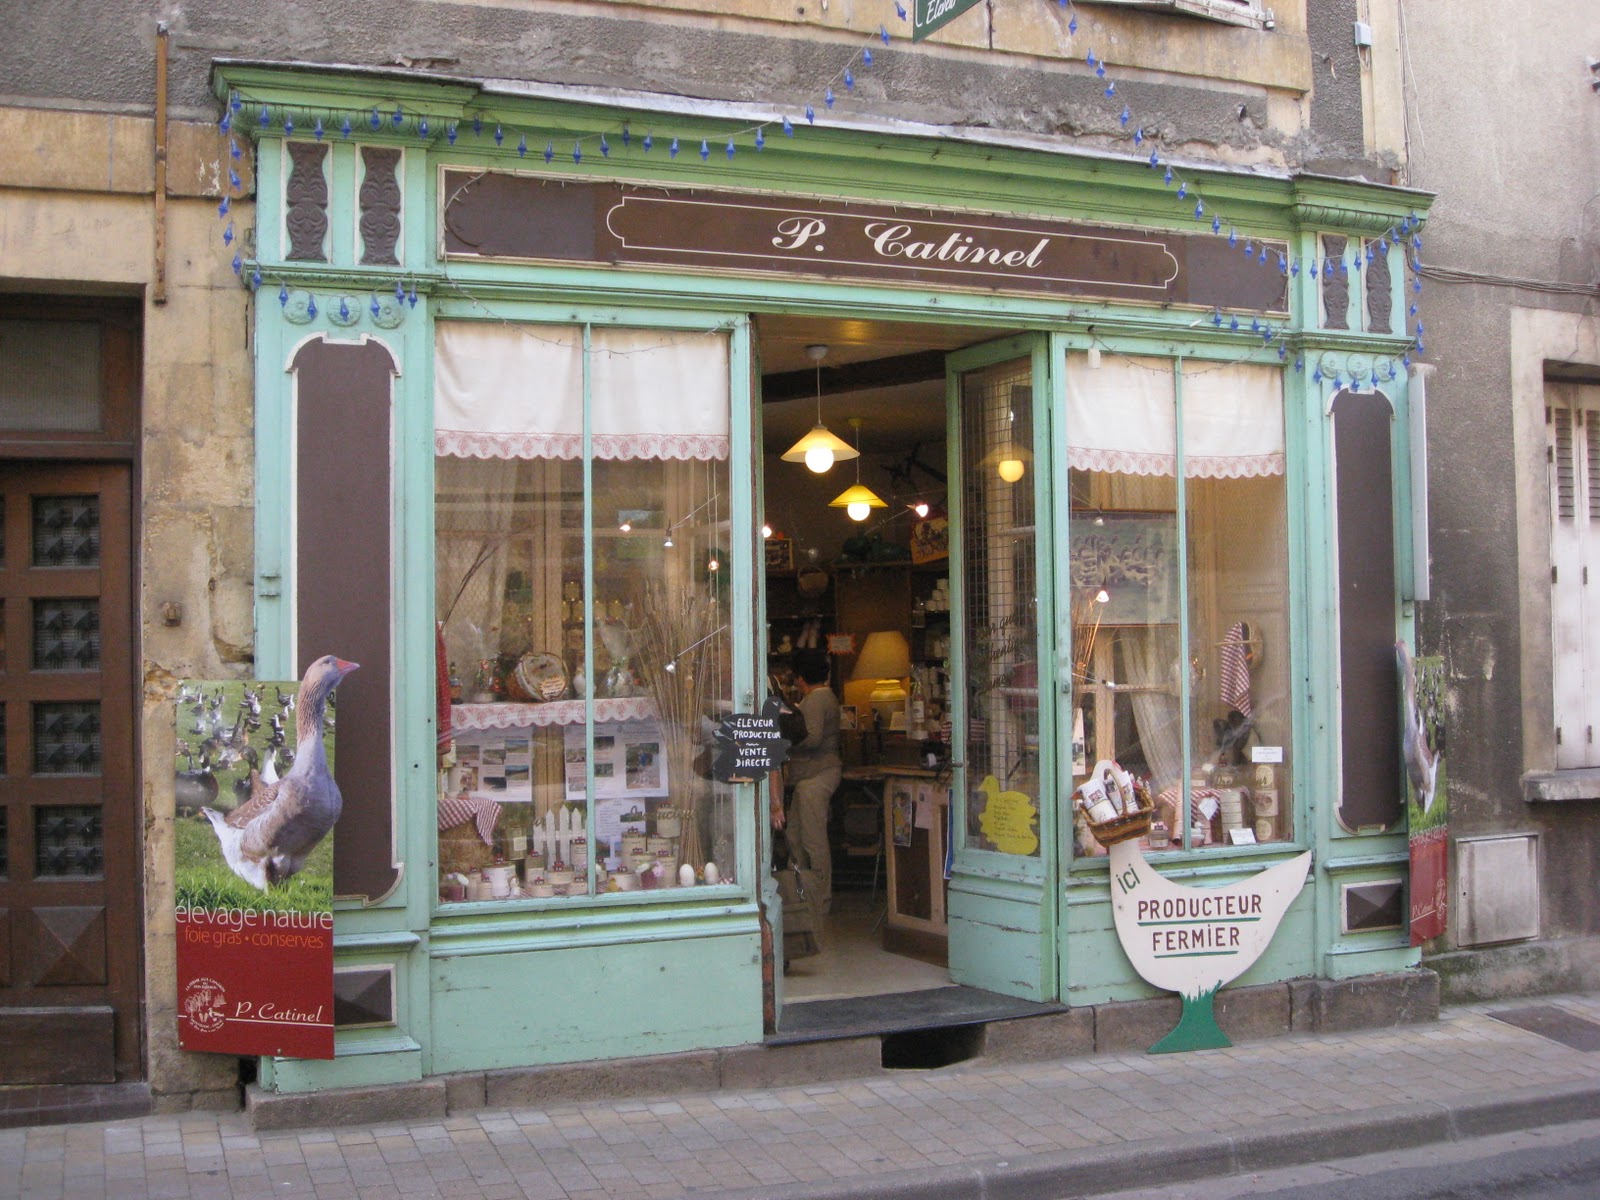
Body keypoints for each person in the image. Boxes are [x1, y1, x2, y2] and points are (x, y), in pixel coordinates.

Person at [783, 649, 842, 915]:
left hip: (816, 776)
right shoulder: (823, 696)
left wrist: (783, 743)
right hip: (812, 778)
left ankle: (819, 899)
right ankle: (803, 895)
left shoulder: (817, 699)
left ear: (800, 676)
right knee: (795, 836)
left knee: (811, 840)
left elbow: (813, 737)